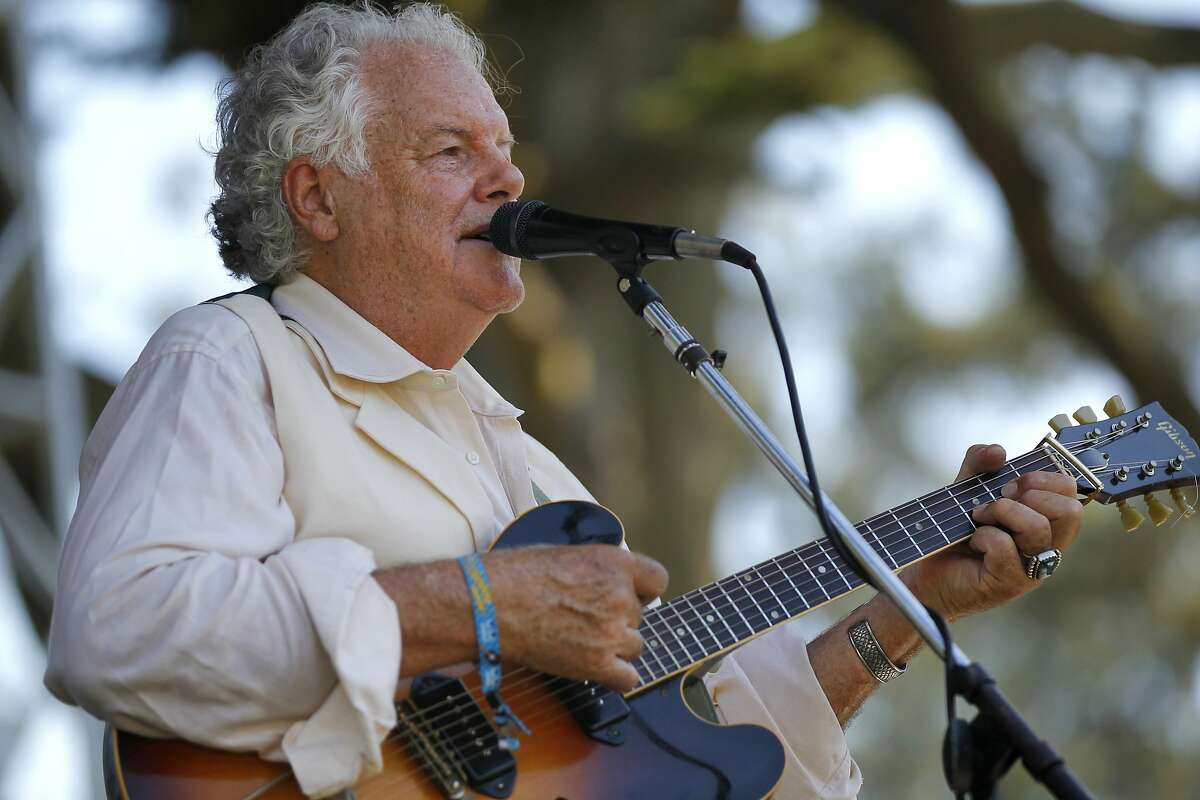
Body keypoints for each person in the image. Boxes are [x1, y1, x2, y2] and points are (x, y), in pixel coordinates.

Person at [44, 4, 1083, 798]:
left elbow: (700, 744)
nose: (506, 181)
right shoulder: (227, 357)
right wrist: (483, 607)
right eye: (451, 153)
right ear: (318, 196)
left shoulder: (530, 468)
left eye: (504, 151)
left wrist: (906, 608)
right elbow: (117, 626)